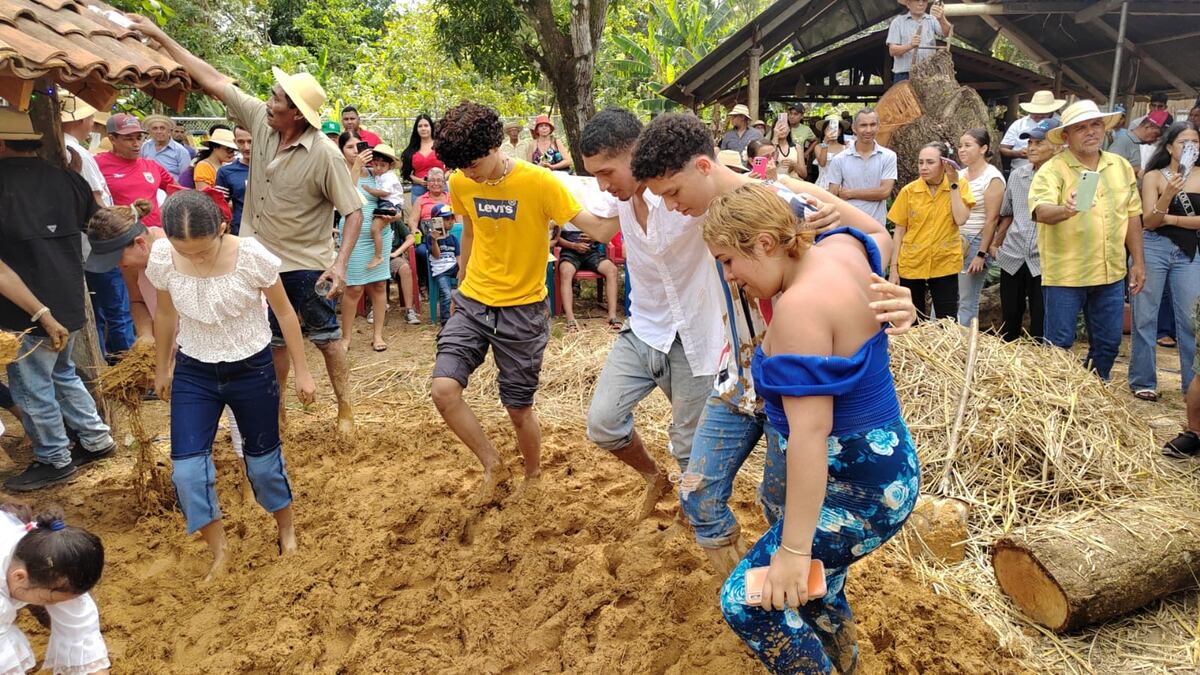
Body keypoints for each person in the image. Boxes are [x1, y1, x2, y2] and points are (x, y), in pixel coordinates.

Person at [629, 112, 918, 575]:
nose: (670, 205)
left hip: (800, 389)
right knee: (698, 493)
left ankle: (795, 598)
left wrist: (890, 298)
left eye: (672, 193)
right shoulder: (699, 214)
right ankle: (745, 584)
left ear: (702, 167)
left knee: (782, 510)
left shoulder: (791, 200)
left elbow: (874, 237)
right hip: (738, 379)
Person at [706, 183, 918, 675]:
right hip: (889, 467)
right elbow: (876, 233)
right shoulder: (842, 252)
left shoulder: (799, 309)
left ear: (763, 243)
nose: (729, 276)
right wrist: (819, 199)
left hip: (858, 489)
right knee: (823, 584)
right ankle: (845, 661)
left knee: (745, 601)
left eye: (728, 260)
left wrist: (793, 552)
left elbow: (810, 435)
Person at [132, 14, 367, 438]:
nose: (269, 100)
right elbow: (212, 79)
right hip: (254, 258)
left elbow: (353, 211)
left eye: (277, 96)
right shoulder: (260, 120)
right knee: (272, 342)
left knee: (328, 337)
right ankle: (276, 415)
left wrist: (341, 264)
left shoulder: (325, 155)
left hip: (306, 263)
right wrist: (158, 34)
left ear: (295, 111)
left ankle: (346, 408)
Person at [429, 101, 615, 501]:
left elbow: (597, 229)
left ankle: (532, 478)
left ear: (496, 145)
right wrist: (461, 287)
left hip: (524, 310)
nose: (466, 174)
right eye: (459, 167)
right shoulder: (462, 181)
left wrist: (637, 198)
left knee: (517, 408)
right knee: (443, 389)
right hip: (475, 302)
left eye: (473, 164)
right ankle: (492, 465)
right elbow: (472, 233)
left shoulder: (540, 182)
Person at [147, 191, 313, 580]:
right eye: (183, 251)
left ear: (222, 229)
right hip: (194, 370)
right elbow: (166, 314)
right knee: (187, 472)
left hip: (251, 369)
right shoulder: (161, 258)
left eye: (202, 251)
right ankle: (219, 552)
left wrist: (303, 371)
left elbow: (285, 313)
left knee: (262, 463)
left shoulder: (251, 255)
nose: (194, 259)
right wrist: (162, 367)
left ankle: (285, 528)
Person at [578, 108, 725, 527]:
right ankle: (651, 476)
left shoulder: (686, 191)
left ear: (636, 154)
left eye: (607, 172)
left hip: (698, 334)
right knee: (603, 423)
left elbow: (735, 182)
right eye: (595, 177)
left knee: (689, 445)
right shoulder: (615, 198)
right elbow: (601, 229)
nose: (603, 184)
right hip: (643, 329)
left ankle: (694, 516)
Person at [0, 109, 116, 491]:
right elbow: (101, 225)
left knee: (32, 386)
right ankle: (97, 440)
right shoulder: (70, 180)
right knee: (63, 374)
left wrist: (40, 313)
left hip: (25, 309)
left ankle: (53, 457)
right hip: (68, 297)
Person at [84, 200, 249, 462]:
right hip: (173, 343)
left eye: (116, 259)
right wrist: (146, 334)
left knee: (237, 408)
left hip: (217, 337)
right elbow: (138, 301)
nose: (117, 266)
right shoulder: (132, 265)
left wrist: (169, 359)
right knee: (191, 412)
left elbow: (201, 312)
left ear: (139, 243)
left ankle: (249, 472)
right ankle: (202, 461)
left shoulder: (180, 248)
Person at [1031, 100, 1146, 382]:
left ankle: (1092, 394)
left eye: (1095, 124)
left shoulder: (1119, 166)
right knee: (1058, 345)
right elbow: (1040, 211)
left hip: (1110, 272)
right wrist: (1065, 210)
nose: (1090, 131)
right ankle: (1058, 401)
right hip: (1066, 275)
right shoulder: (1053, 169)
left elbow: (1132, 215)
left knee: (1108, 344)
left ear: (1104, 129)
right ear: (1066, 136)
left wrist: (1138, 262)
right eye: (1080, 127)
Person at [1130, 122, 1200, 402]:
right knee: (1145, 314)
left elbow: (1162, 220)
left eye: (1195, 141)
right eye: (1184, 142)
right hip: (1153, 248)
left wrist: (1169, 218)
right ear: (1170, 147)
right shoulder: (1154, 177)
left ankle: (1191, 386)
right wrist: (1169, 194)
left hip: (1190, 251)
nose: (1191, 147)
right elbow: (1148, 221)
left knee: (1191, 320)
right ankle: (1143, 380)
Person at [0, 504, 111, 674]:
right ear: (19, 577)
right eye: (48, 600)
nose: (59, 605)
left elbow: (80, 631)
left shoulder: (50, 555)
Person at [887, 143, 974, 320]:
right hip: (912, 261)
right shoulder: (909, 191)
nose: (924, 167)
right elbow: (899, 232)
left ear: (944, 163)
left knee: (947, 320)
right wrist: (894, 269)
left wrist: (954, 185)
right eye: (920, 162)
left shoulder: (959, 185)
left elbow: (961, 219)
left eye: (930, 162)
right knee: (911, 319)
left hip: (945, 261)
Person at [991, 119, 1060, 342]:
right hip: (1013, 254)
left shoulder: (1064, 178)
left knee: (1041, 321)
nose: (1031, 147)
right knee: (1009, 319)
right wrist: (995, 244)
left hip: (1045, 259)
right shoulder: (1018, 176)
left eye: (1039, 143)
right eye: (1029, 142)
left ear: (1058, 146)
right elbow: (1008, 213)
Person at [336, 131, 393, 353]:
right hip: (353, 235)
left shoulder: (377, 172)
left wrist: (394, 216)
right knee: (353, 287)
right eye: (349, 147)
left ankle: (378, 335)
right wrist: (356, 167)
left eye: (358, 146)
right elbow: (345, 195)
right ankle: (346, 337)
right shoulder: (340, 171)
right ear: (342, 151)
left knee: (379, 285)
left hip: (379, 233)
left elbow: (392, 198)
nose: (355, 151)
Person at [956, 129, 1005, 326]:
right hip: (954, 240)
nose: (962, 150)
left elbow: (992, 219)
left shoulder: (992, 177)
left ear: (983, 148)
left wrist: (981, 253)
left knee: (967, 298)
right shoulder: (959, 175)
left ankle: (964, 345)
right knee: (947, 295)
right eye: (960, 145)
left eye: (968, 145)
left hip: (976, 240)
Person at [825, 108, 898, 225]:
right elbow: (832, 195)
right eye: (863, 125)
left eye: (872, 125)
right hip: (848, 225)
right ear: (854, 128)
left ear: (878, 127)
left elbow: (884, 192)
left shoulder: (888, 156)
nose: (868, 130)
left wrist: (851, 193)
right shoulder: (839, 159)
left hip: (877, 227)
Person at [555, 213, 620, 332]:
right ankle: (570, 318)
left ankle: (612, 315)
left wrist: (594, 237)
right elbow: (556, 238)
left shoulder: (593, 211)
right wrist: (573, 245)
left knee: (612, 270)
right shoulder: (562, 211)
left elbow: (605, 233)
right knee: (565, 272)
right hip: (570, 252)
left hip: (592, 253)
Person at [59, 94, 111, 207]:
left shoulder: (59, 144)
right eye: (91, 118)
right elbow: (96, 198)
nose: (92, 124)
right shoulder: (78, 153)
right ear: (82, 120)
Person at [410, 167, 453, 291]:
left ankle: (449, 283)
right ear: (427, 184)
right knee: (421, 252)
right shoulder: (421, 200)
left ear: (444, 184)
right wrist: (414, 229)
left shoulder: (450, 198)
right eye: (432, 180)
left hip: (448, 236)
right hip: (427, 236)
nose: (436, 183)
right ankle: (425, 284)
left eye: (439, 180)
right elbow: (413, 220)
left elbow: (458, 218)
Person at [887, 0, 951, 82]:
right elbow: (892, 51)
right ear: (908, 4)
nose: (921, 3)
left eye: (924, 0)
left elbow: (947, 33)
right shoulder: (897, 22)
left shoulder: (932, 19)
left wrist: (942, 18)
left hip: (929, 73)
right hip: (904, 75)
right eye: (917, 0)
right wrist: (910, 45)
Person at [1001, 90, 1066, 171]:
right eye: (1035, 112)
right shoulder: (1019, 124)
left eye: (1042, 113)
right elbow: (1003, 148)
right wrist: (1017, 153)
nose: (1038, 115)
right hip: (1019, 173)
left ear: (1051, 110)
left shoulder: (1062, 124)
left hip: (1053, 172)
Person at [369, 143, 405, 272]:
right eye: (375, 163)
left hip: (390, 204)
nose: (378, 167)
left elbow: (384, 193)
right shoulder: (380, 175)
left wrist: (369, 190)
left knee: (375, 229)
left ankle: (378, 256)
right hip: (387, 204)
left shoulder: (388, 176)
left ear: (389, 166)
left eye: (382, 165)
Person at [427, 204, 461, 328]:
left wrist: (461, 269)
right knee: (446, 294)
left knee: (465, 288)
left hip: (453, 267)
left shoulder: (453, 238)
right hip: (441, 270)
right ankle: (446, 322)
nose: (450, 222)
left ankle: (463, 317)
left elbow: (458, 256)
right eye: (446, 219)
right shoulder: (430, 238)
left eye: (451, 219)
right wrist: (434, 240)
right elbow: (436, 255)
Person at [215, 126, 251, 235]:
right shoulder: (226, 172)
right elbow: (220, 205)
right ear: (235, 142)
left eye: (251, 141)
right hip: (240, 231)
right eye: (241, 142)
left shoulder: (273, 167)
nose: (246, 147)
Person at [1109, 110, 1167, 179]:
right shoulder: (1123, 142)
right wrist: (1136, 171)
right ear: (1148, 127)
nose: (1156, 139)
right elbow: (1110, 169)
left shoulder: (1142, 145)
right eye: (1156, 135)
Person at [401, 114, 445, 202]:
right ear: (416, 129)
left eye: (426, 125)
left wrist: (441, 179)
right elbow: (406, 174)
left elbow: (451, 169)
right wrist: (420, 181)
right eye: (420, 126)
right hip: (419, 190)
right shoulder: (411, 150)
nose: (423, 128)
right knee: (419, 215)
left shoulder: (441, 146)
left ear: (431, 127)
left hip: (440, 189)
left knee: (444, 214)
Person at [139, 114, 192, 180]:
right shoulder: (145, 146)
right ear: (149, 132)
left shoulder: (180, 151)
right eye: (155, 128)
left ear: (169, 131)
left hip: (171, 188)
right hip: (149, 186)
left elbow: (185, 178)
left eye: (162, 128)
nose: (159, 132)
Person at [813, 116, 848, 189]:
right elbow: (822, 163)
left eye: (835, 128)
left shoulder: (846, 147)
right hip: (823, 184)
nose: (832, 131)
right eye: (829, 129)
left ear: (840, 131)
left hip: (841, 185)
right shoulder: (818, 147)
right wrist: (825, 142)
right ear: (824, 131)